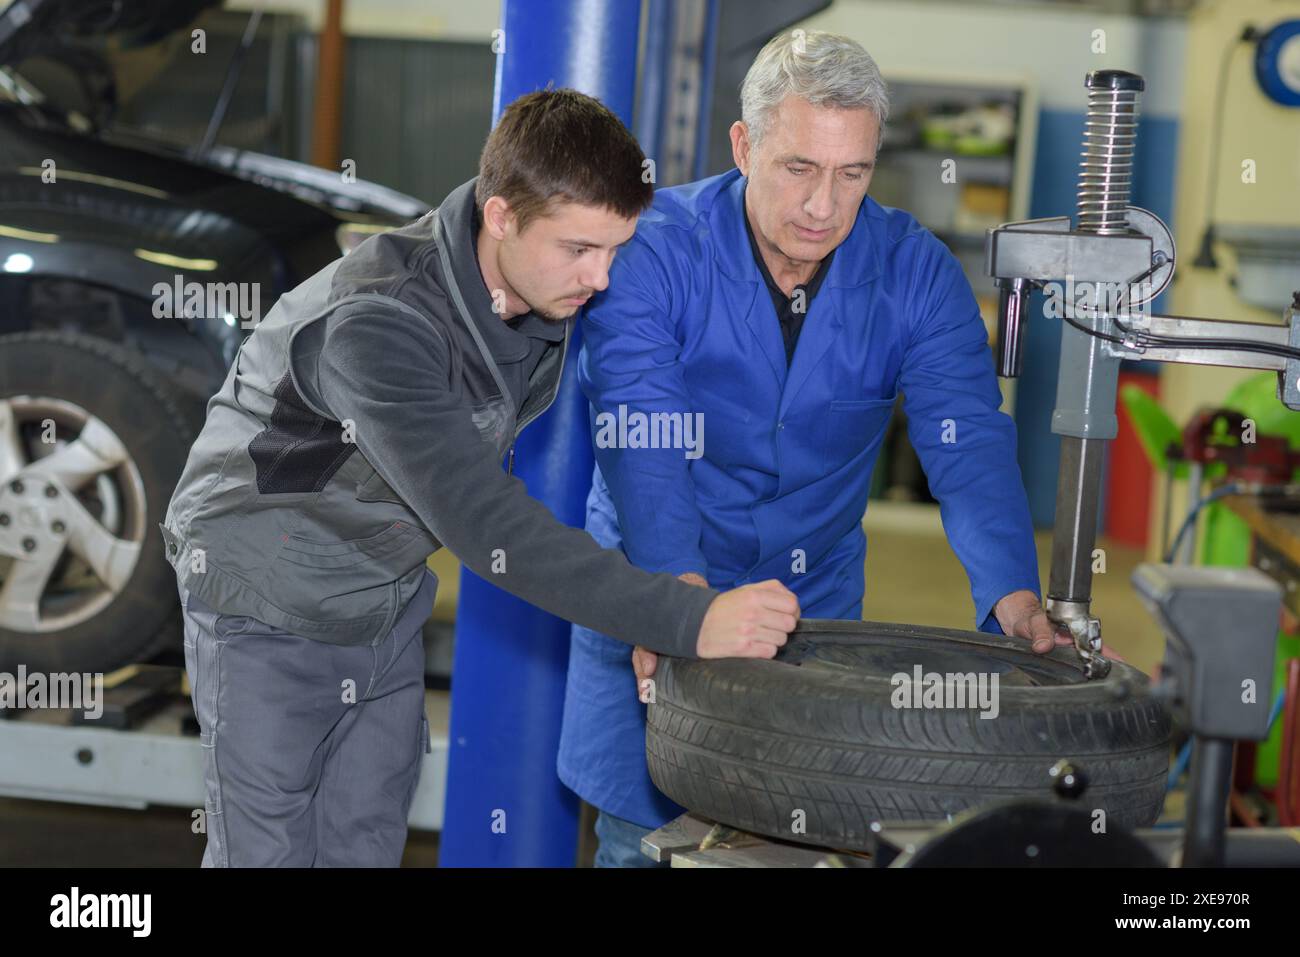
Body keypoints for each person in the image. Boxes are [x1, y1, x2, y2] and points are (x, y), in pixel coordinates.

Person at [160, 88, 799, 867]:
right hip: (262, 601)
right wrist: (680, 618)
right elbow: (487, 523)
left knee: (362, 843)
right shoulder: (378, 324)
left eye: (614, 250)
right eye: (578, 249)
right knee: (266, 854)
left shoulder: (533, 292)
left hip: (379, 595)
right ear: (501, 216)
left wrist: (673, 591)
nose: (601, 279)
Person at [557, 30, 1060, 868]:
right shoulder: (652, 251)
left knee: (799, 840)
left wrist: (1012, 593)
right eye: (799, 168)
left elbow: (964, 436)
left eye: (852, 174)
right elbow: (642, 430)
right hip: (656, 581)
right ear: (744, 145)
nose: (826, 205)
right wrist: (678, 605)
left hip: (811, 615)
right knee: (645, 843)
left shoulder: (916, 274)